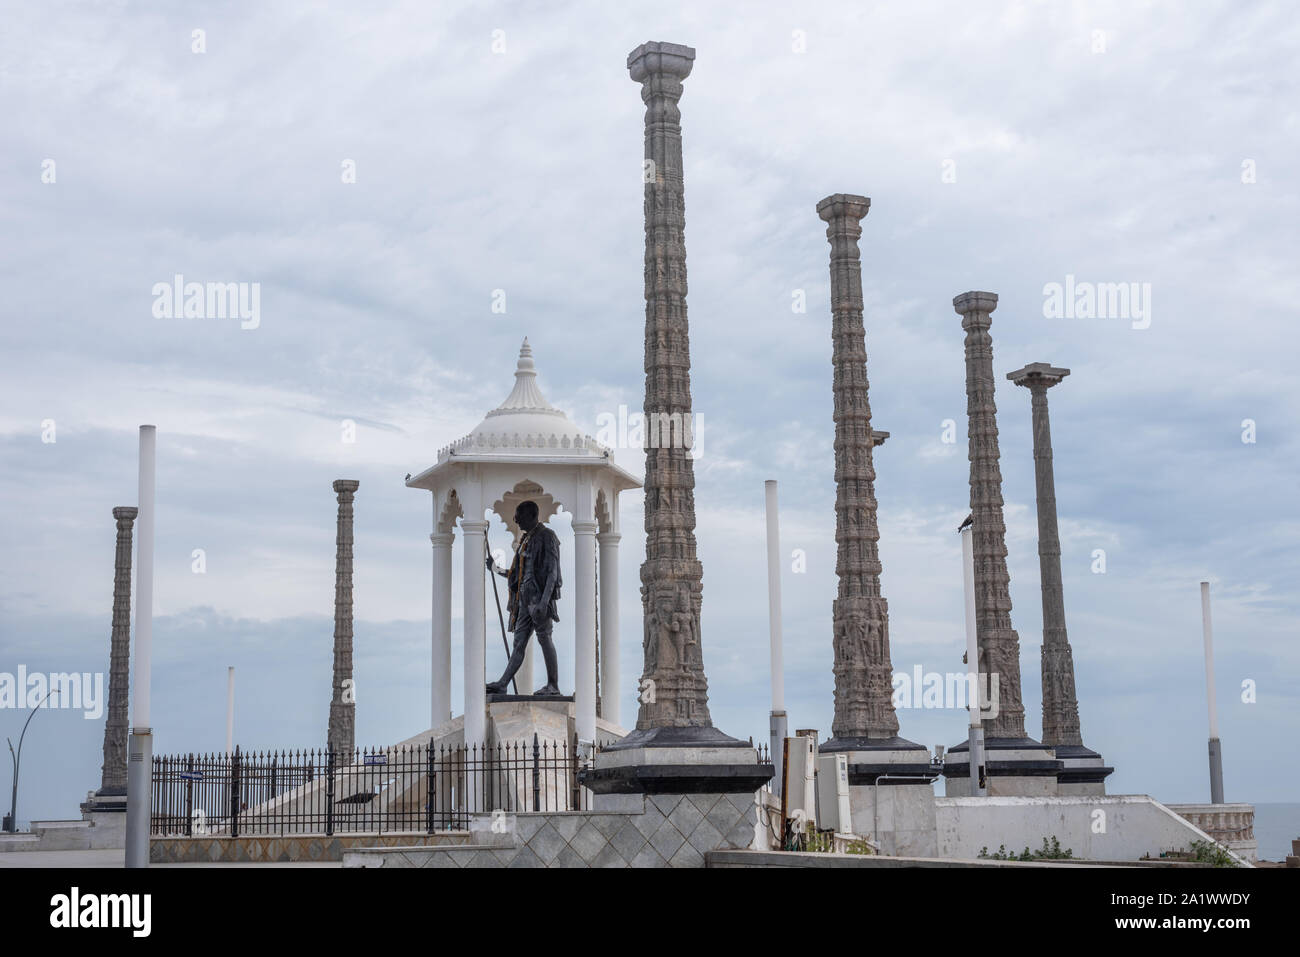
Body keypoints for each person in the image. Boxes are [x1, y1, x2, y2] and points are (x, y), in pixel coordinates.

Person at [485, 500, 562, 696]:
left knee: (545, 639)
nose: (515, 520)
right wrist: (496, 568)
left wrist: (544, 602)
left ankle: (553, 685)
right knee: (519, 643)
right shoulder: (525, 540)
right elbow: (516, 573)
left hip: (539, 600)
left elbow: (552, 571)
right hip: (524, 600)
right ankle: (503, 683)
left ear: (531, 516)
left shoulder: (547, 537)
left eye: (518, 517)